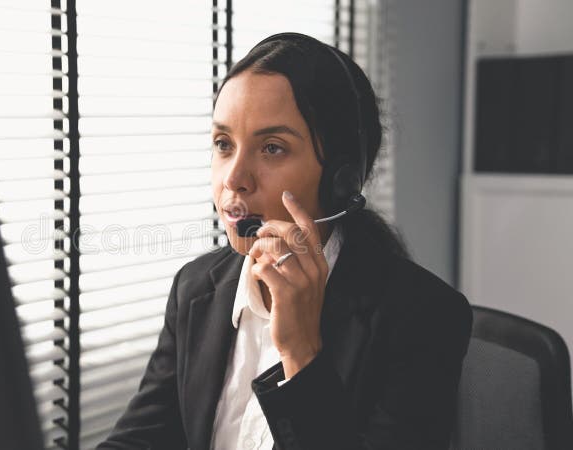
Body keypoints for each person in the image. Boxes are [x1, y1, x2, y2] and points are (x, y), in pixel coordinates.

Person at [97, 32, 472, 450]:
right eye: (223, 144)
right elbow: (140, 439)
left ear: (340, 180)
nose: (234, 179)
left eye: (272, 148)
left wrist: (301, 353)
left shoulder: (424, 316)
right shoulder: (195, 289)